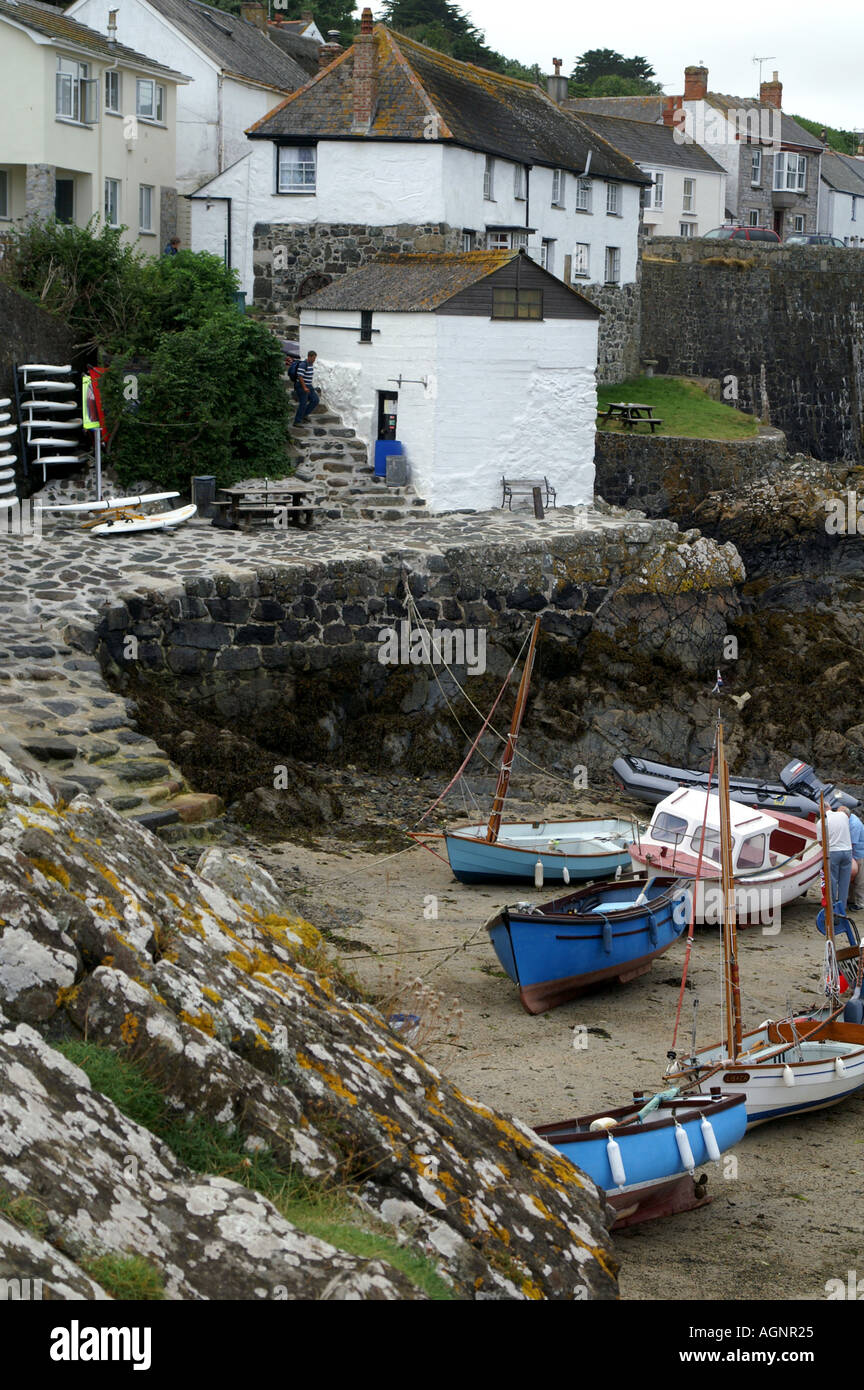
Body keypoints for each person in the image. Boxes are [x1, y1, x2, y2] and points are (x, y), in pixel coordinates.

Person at [820, 804, 853, 915]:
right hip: (847, 851)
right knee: (844, 883)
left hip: (833, 852)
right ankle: (842, 910)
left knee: (832, 881)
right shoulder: (842, 815)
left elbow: (821, 843)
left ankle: (832, 908)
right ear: (830, 807)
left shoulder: (820, 822)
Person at [293, 349, 319, 425]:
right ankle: (297, 421)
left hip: (308, 385)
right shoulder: (303, 364)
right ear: (309, 357)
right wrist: (304, 387)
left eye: (315, 358)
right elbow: (300, 376)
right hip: (301, 386)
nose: (314, 360)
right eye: (314, 358)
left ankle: (304, 415)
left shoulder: (310, 364)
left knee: (315, 400)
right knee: (303, 403)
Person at [848, 808, 864, 910]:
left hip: (859, 854)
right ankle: (851, 899)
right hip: (856, 853)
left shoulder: (854, 824)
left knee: (859, 880)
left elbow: (852, 843)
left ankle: (860, 903)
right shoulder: (852, 821)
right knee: (852, 879)